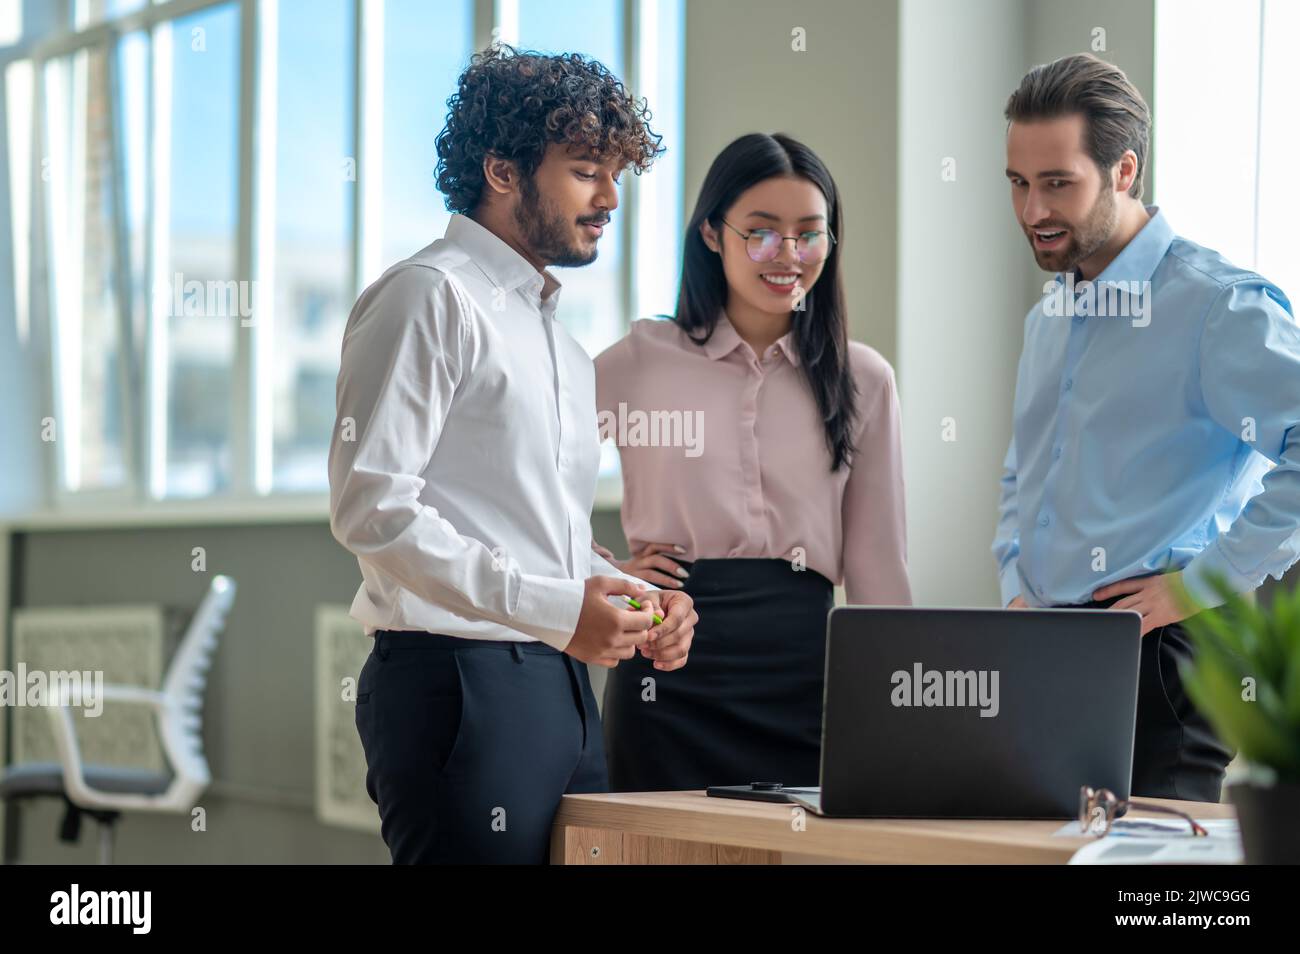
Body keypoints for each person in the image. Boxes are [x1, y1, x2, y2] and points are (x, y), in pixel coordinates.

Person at [328, 45, 697, 864]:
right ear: (501, 170)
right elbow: (372, 509)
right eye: (585, 171)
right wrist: (558, 611)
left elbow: (541, 533)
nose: (608, 199)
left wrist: (638, 600)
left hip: (560, 688)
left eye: (615, 173)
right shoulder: (428, 296)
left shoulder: (556, 341)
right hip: (456, 685)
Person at [994, 53, 1300, 801]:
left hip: (1159, 661)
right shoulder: (1048, 317)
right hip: (1039, 651)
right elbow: (1022, 473)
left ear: (1123, 170)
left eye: (1058, 182)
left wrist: (1201, 585)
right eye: (1020, 184)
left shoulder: (1216, 306)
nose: (1034, 210)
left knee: (1151, 908)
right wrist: (1014, 582)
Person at [594, 133, 911, 793]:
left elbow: (879, 571)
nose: (787, 256)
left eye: (809, 234)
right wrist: (600, 569)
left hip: (806, 677)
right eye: (761, 233)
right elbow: (524, 472)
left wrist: (896, 712)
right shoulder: (641, 363)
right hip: (667, 667)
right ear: (712, 234)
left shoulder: (864, 380)